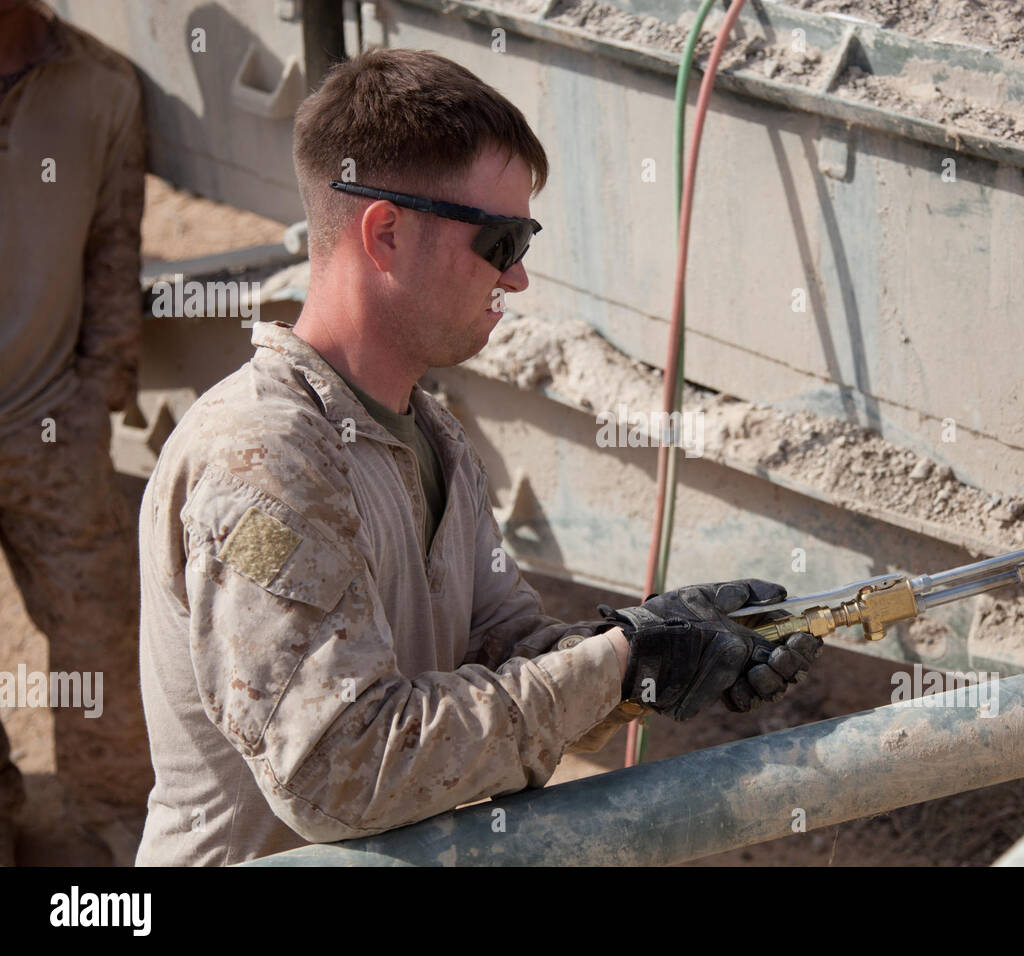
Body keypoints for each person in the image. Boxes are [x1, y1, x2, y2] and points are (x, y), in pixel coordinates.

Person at [135, 48, 823, 866]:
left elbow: (500, 653)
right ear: (385, 233)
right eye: (500, 240)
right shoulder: (262, 460)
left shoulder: (433, 438)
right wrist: (616, 665)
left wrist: (655, 652)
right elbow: (341, 768)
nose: (521, 276)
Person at [0, 0, 150, 866]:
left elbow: (113, 250)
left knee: (98, 629)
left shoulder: (101, 88)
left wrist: (98, 398)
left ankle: (117, 816)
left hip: (49, 423)